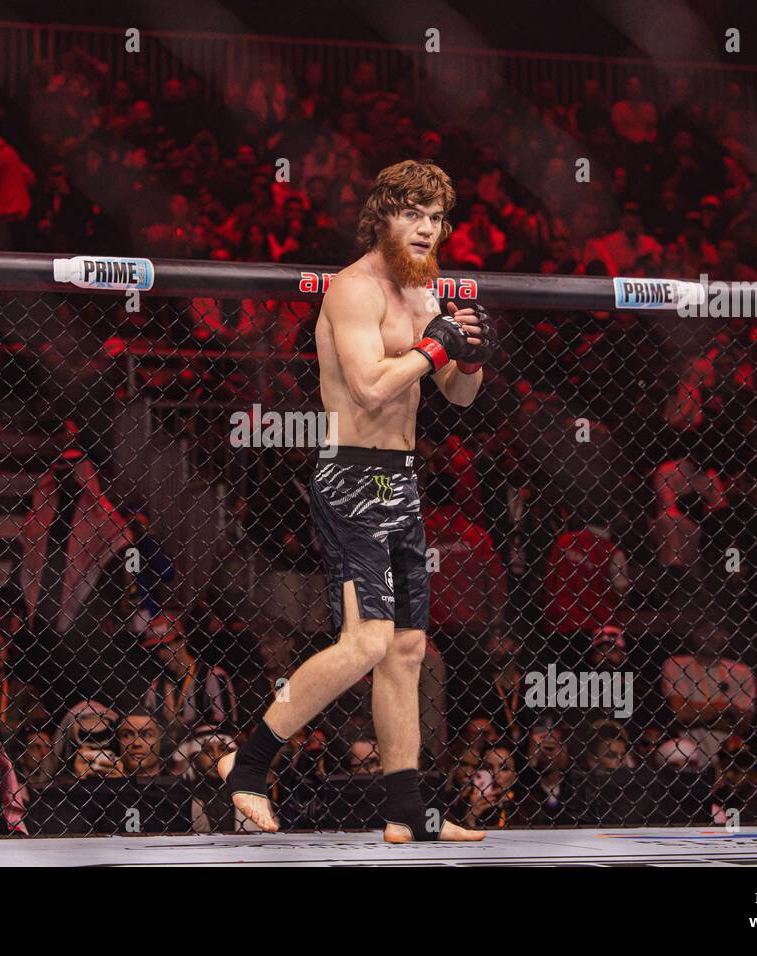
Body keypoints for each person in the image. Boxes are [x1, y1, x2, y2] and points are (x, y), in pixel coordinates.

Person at [218, 160, 493, 843]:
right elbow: (370, 387)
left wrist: (470, 356)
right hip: (352, 475)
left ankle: (408, 811)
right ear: (383, 218)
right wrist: (437, 348)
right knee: (366, 641)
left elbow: (456, 395)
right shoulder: (353, 289)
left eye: (436, 217)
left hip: (400, 477)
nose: (428, 228)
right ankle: (246, 766)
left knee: (407, 650)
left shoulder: (424, 295)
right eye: (414, 214)